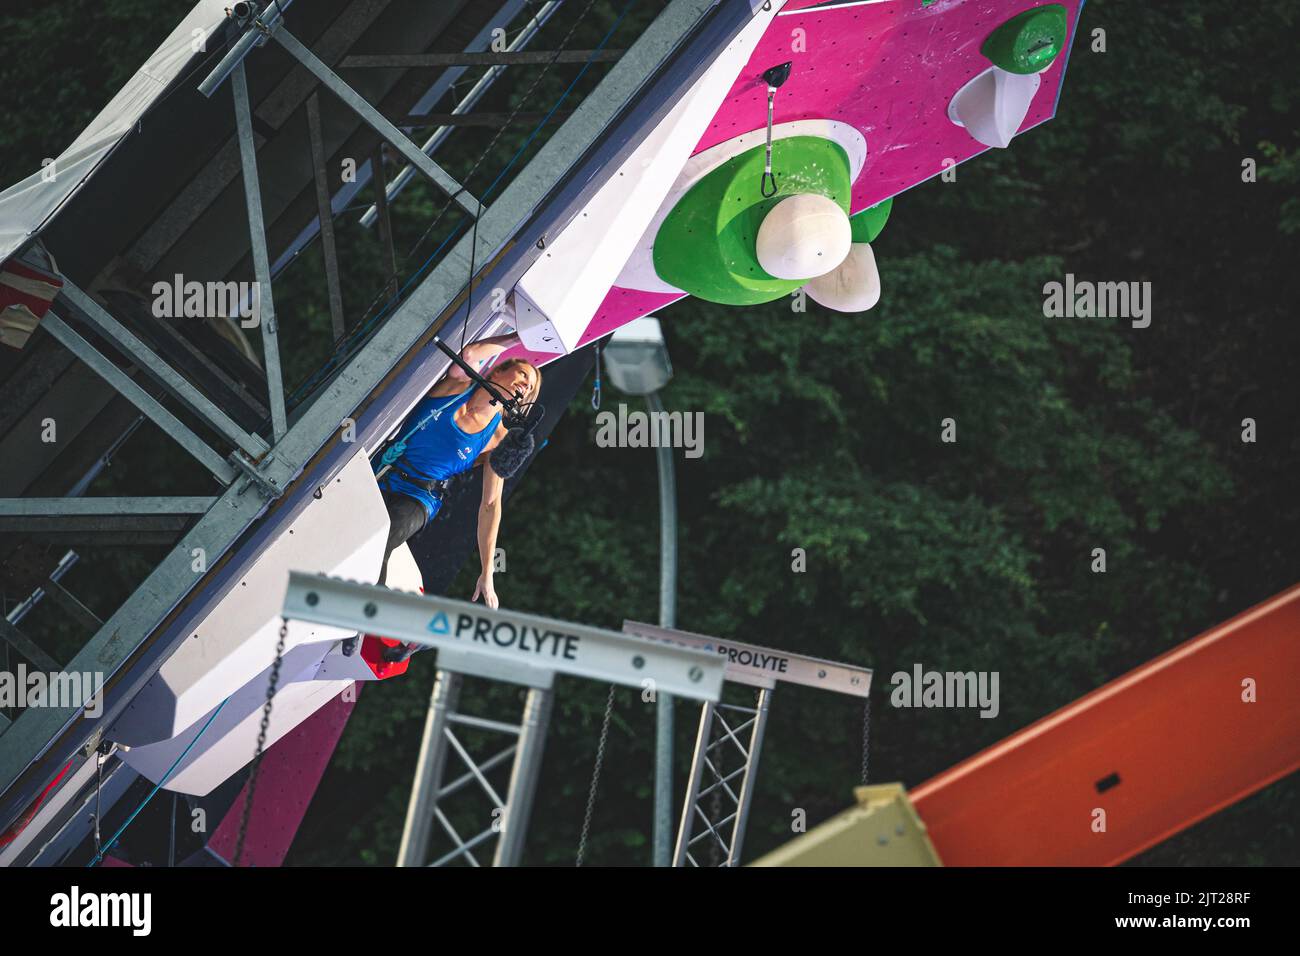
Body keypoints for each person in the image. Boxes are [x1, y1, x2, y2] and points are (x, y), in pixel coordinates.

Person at [376, 332, 541, 613]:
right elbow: (469, 355)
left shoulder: (497, 439)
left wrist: (487, 573)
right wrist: (520, 335)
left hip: (419, 498)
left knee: (381, 540)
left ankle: (368, 622)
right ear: (501, 369)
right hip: (382, 471)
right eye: (523, 376)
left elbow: (490, 505)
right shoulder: (457, 384)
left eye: (530, 388)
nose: (525, 386)